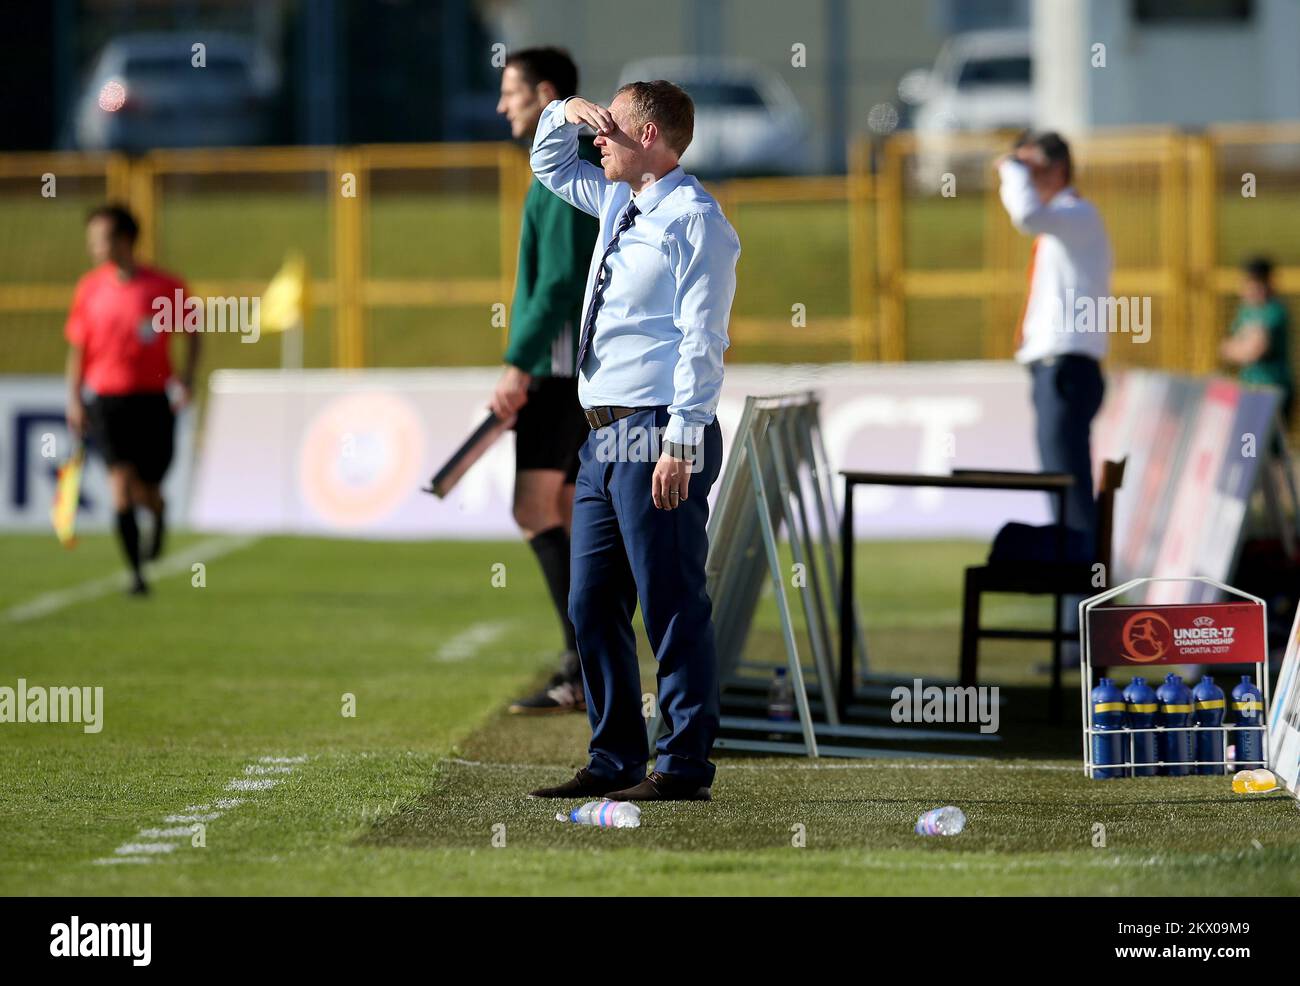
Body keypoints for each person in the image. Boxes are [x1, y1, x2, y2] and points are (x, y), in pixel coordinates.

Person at [525, 81, 740, 802]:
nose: (599, 139)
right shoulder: (622, 199)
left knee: (671, 600)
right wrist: (563, 112)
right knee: (591, 602)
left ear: (649, 137)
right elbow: (549, 166)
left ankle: (681, 766)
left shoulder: (696, 219)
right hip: (600, 434)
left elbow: (703, 341)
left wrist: (681, 439)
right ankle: (615, 754)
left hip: (655, 429)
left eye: (611, 128)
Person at [492, 47, 601, 715]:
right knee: (559, 513)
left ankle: (584, 663)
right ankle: (587, 662)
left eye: (511, 91)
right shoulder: (575, 170)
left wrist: (518, 363)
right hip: (571, 374)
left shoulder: (559, 177)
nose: (502, 105)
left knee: (534, 511)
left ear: (546, 94)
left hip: (556, 373)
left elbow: (558, 282)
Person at [65, 205, 199, 595]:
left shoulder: (164, 286)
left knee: (148, 490)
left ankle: (157, 513)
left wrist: (187, 380)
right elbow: (78, 347)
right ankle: (137, 576)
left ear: (124, 240)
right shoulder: (88, 288)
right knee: (120, 485)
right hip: (106, 401)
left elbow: (193, 334)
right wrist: (74, 399)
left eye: (100, 239)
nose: (93, 247)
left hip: (153, 400)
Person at [998, 131, 1112, 547]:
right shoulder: (1064, 224)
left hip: (1067, 368)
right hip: (1059, 369)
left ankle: (1085, 606)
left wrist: (1011, 171)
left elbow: (1025, 215)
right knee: (1063, 492)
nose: (1026, 177)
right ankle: (1082, 605)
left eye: (1032, 167)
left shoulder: (1078, 214)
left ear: (1057, 167)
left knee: (1070, 497)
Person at [1221, 256, 1294, 427]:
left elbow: (1254, 350)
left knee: (1267, 447)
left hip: (1273, 390)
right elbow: (1226, 347)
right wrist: (1243, 348)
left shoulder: (1274, 311)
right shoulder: (1245, 311)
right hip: (1249, 389)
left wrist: (1242, 348)